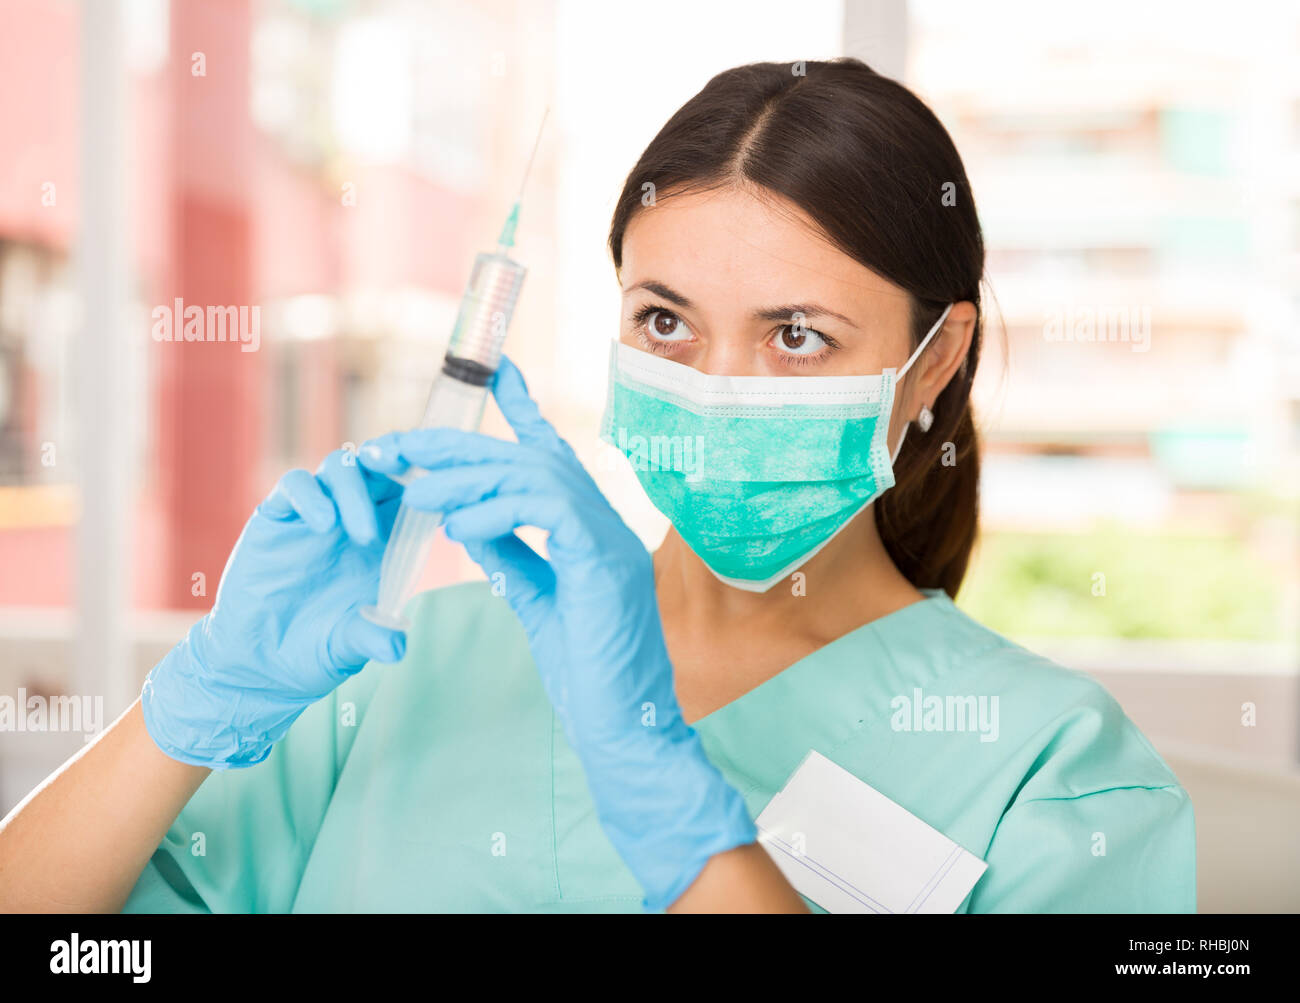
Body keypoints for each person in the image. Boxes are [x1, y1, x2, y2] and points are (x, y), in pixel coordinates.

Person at [0, 58, 1194, 914]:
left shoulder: (1053, 770)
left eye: (796, 336)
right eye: (665, 320)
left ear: (931, 360)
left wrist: (660, 786)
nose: (718, 384)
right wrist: (192, 700)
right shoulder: (400, 668)